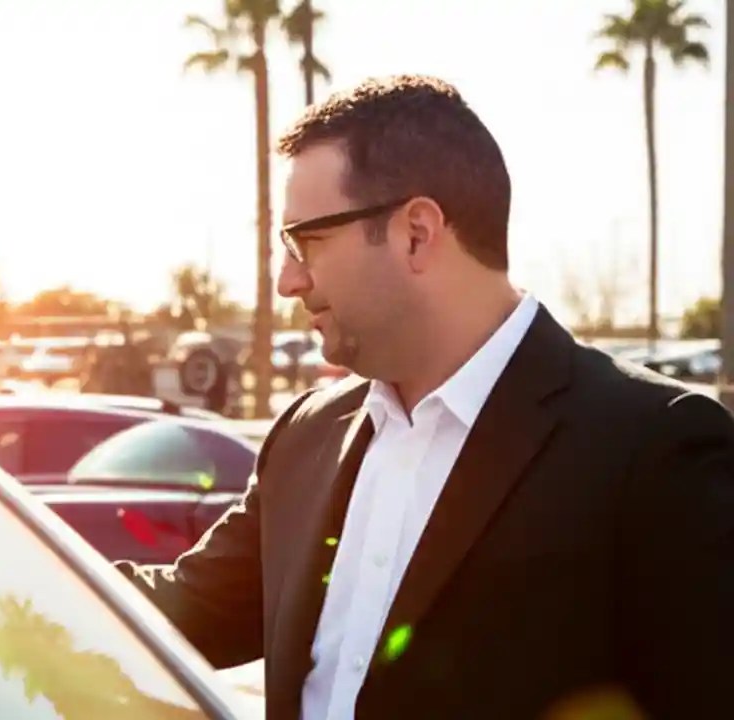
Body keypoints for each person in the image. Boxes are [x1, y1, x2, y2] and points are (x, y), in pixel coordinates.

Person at [116, 75, 734, 720]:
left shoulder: (654, 444)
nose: (288, 280)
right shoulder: (308, 433)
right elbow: (188, 610)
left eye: (307, 240)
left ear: (417, 231)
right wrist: (11, 570)